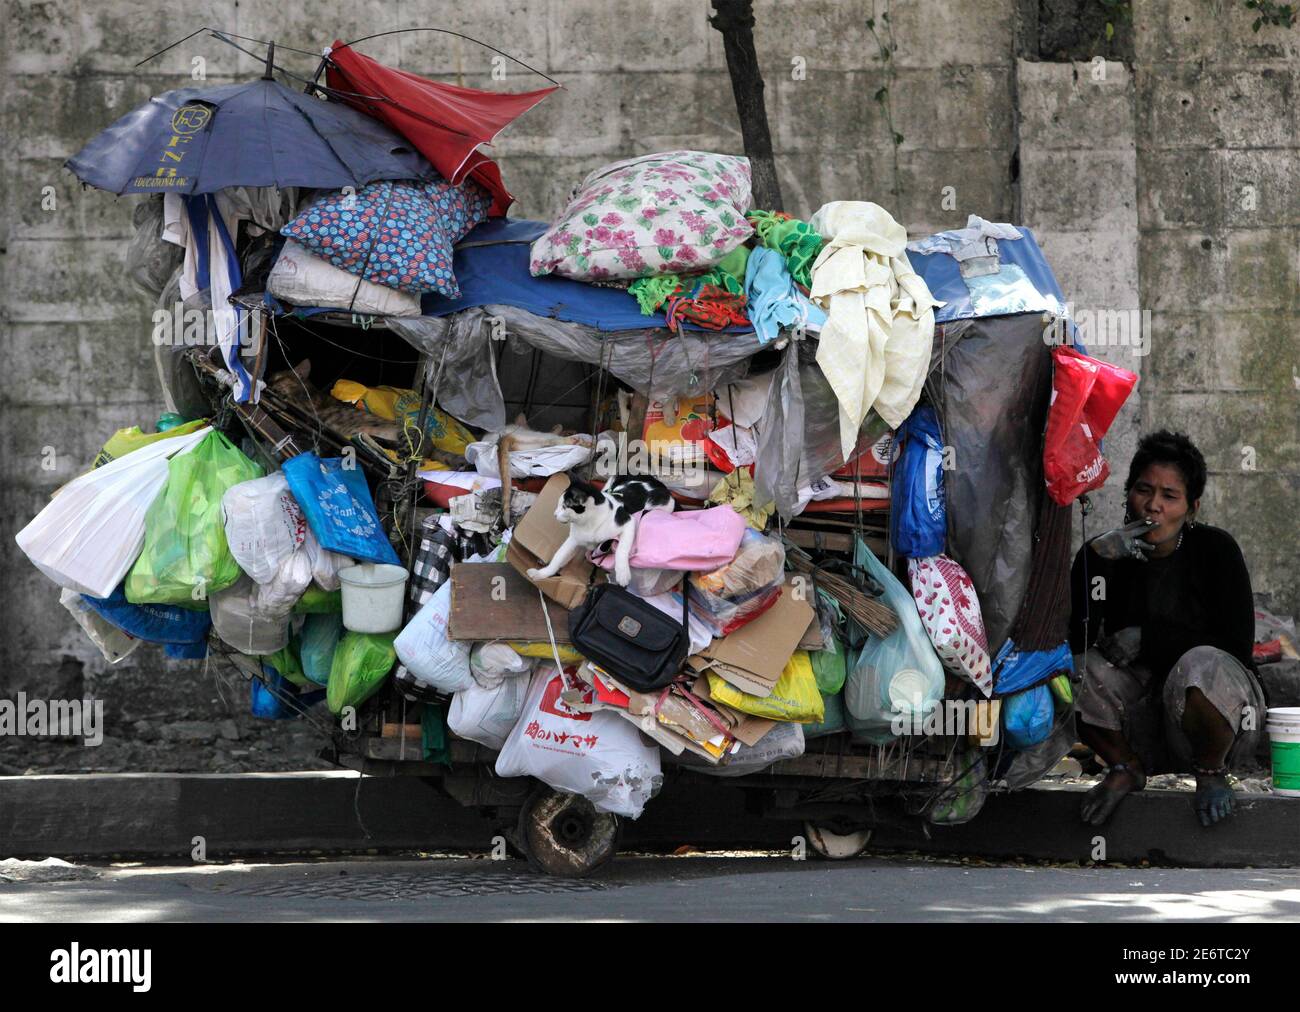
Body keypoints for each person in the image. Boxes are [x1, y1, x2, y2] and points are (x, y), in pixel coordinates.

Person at [1068, 430, 1264, 828]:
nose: (1152, 506)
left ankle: (1210, 773)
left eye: (1169, 497)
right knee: (1074, 668)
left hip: (1218, 723)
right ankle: (1125, 766)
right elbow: (1078, 639)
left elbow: (1236, 645)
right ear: (1128, 494)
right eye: (1143, 490)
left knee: (1201, 664)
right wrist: (1094, 560)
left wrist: (1149, 638)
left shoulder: (1216, 551)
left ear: (1191, 508)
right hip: (1143, 726)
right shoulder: (1109, 555)